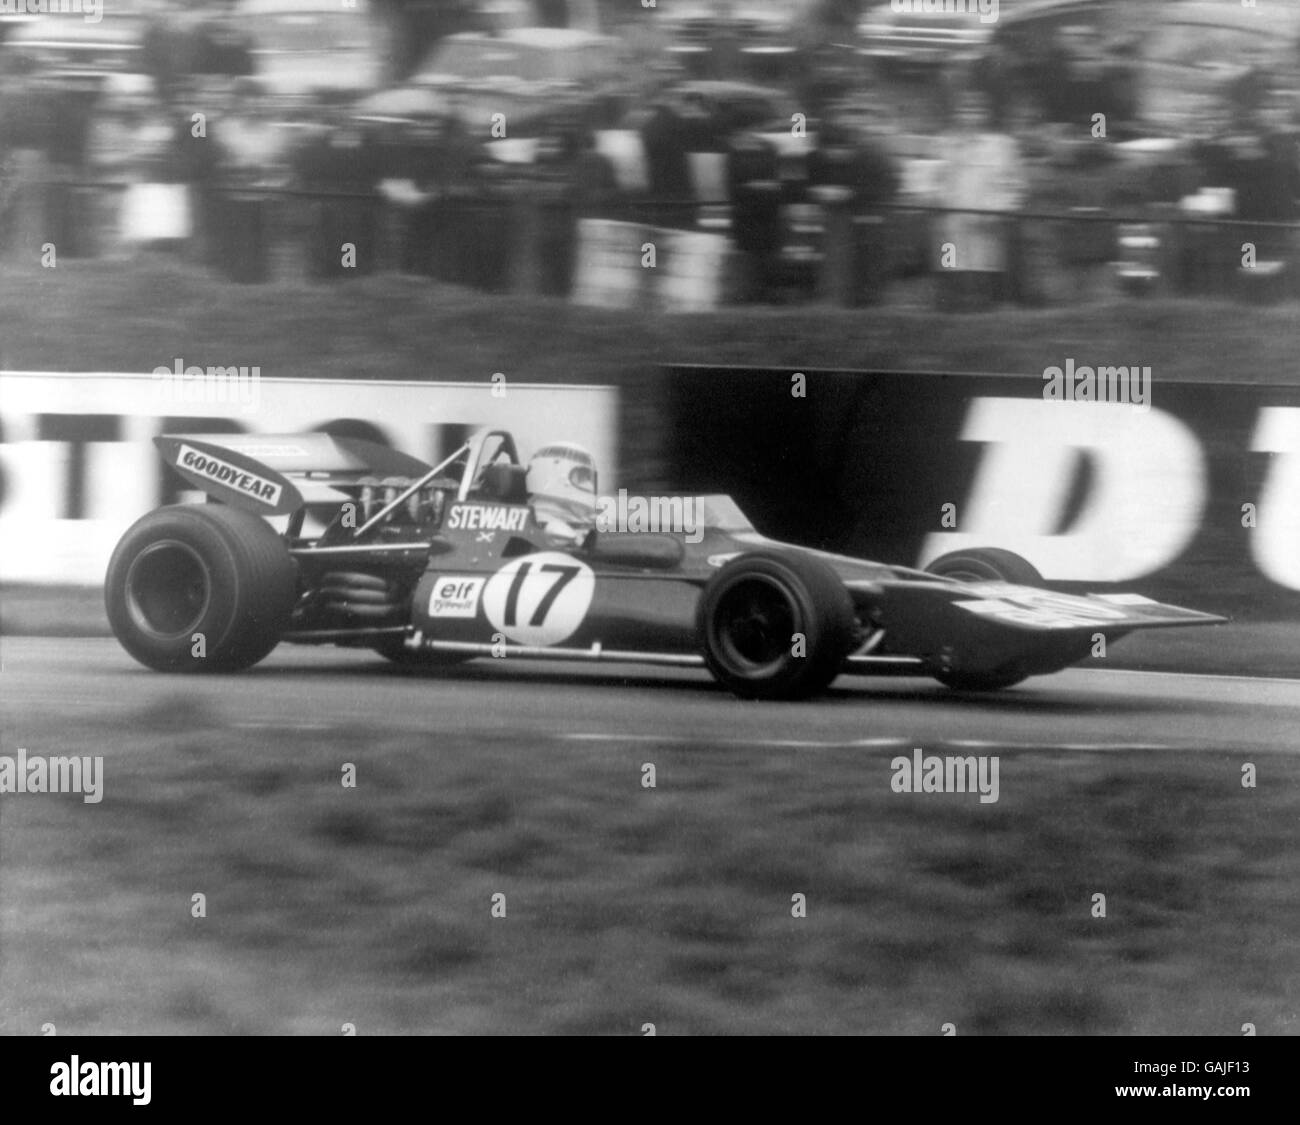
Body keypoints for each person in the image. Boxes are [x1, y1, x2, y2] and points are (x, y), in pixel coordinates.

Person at [526, 443, 598, 546]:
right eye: (581, 478)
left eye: (588, 478)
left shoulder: (579, 521)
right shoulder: (548, 526)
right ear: (557, 475)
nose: (588, 484)